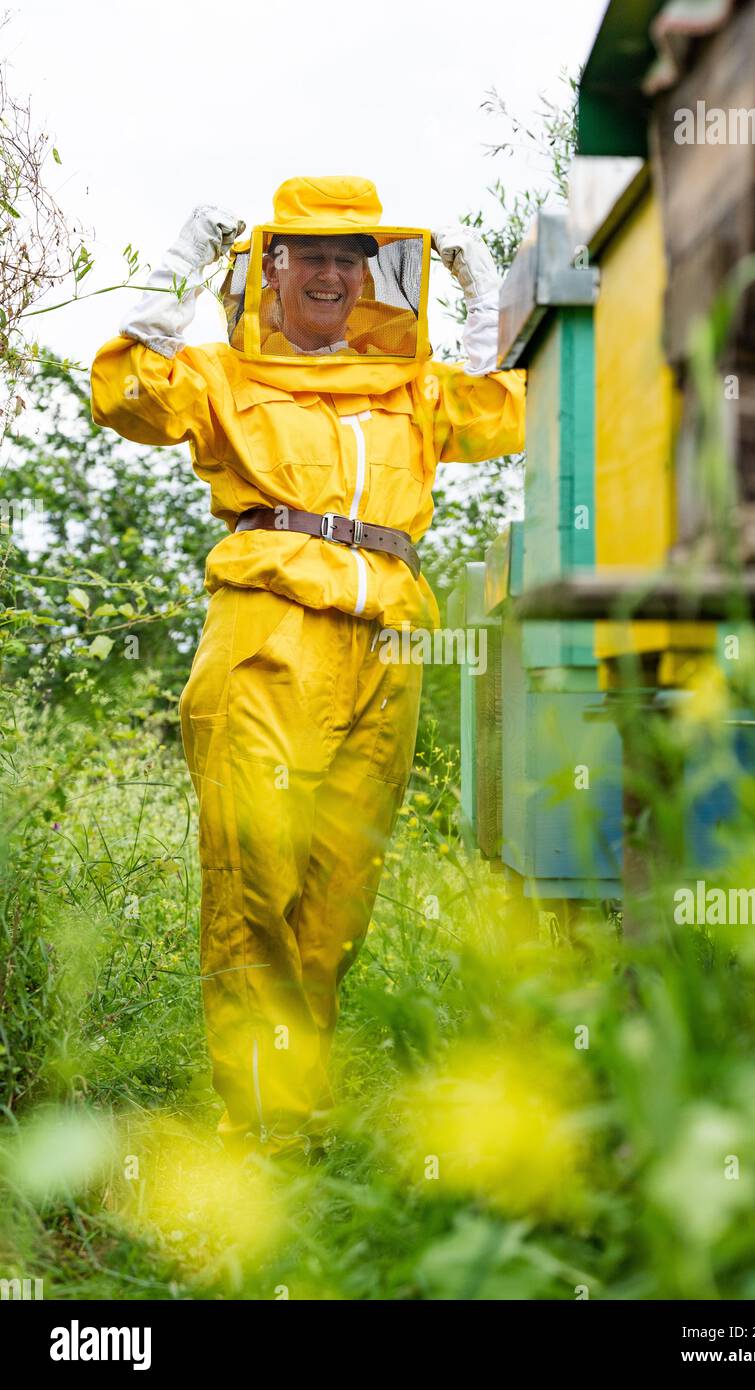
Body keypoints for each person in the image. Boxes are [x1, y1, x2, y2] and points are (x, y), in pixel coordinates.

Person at [90, 175, 525, 1163]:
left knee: (337, 891)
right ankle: (256, 1126)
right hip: (269, 634)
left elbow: (501, 415)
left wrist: (480, 288)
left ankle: (298, 1110)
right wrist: (172, 266)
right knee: (257, 882)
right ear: (271, 267)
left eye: (347, 255)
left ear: (371, 272)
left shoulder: (404, 385)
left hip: (388, 646)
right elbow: (123, 398)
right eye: (310, 253)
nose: (329, 271)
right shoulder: (222, 373)